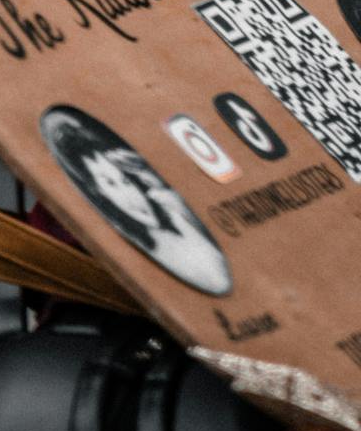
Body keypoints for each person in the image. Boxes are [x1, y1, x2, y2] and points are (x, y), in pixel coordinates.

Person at [38, 103, 234, 297]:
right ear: (99, 193)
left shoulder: (173, 210)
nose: (129, 196)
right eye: (111, 184)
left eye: (126, 180)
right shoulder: (147, 247)